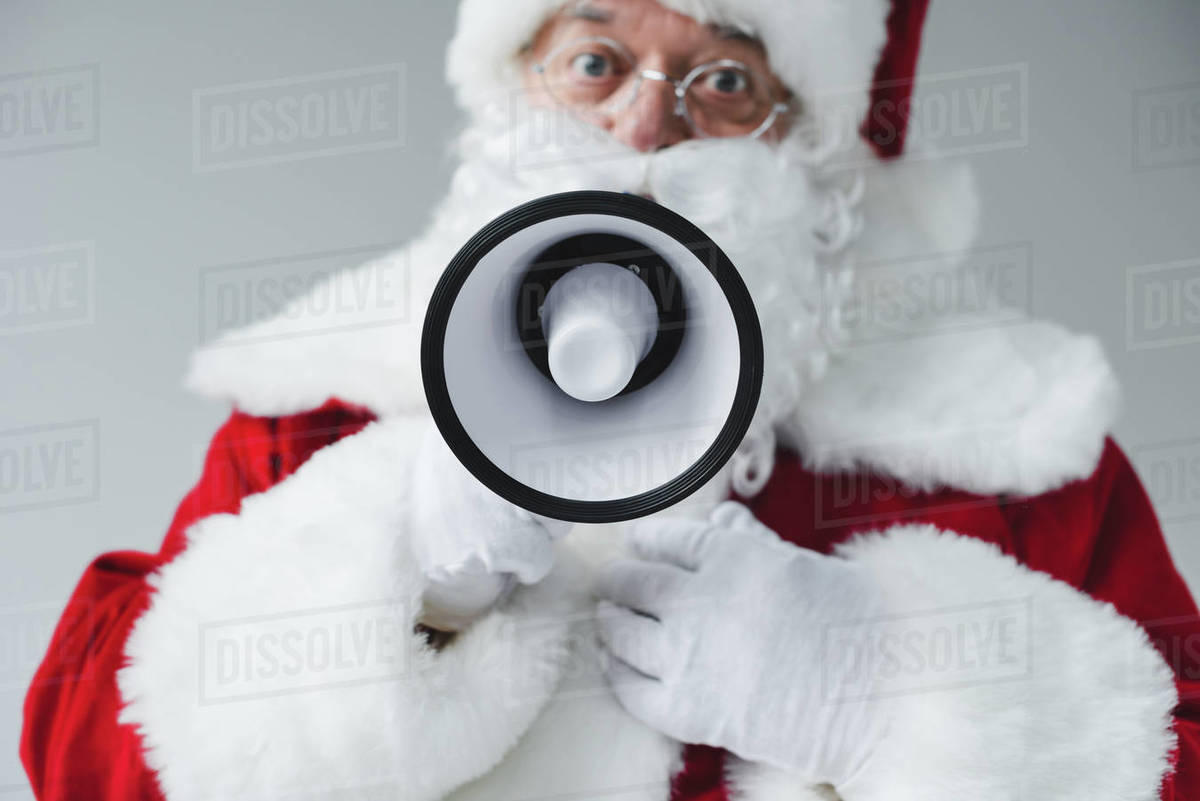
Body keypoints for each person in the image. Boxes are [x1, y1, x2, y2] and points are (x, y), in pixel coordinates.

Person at [22, 1, 1200, 799]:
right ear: (512, 84)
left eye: (726, 80)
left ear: (820, 158)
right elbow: (86, 751)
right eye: (594, 59)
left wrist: (896, 698)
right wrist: (394, 599)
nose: (644, 127)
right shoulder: (327, 406)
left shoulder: (1003, 445)